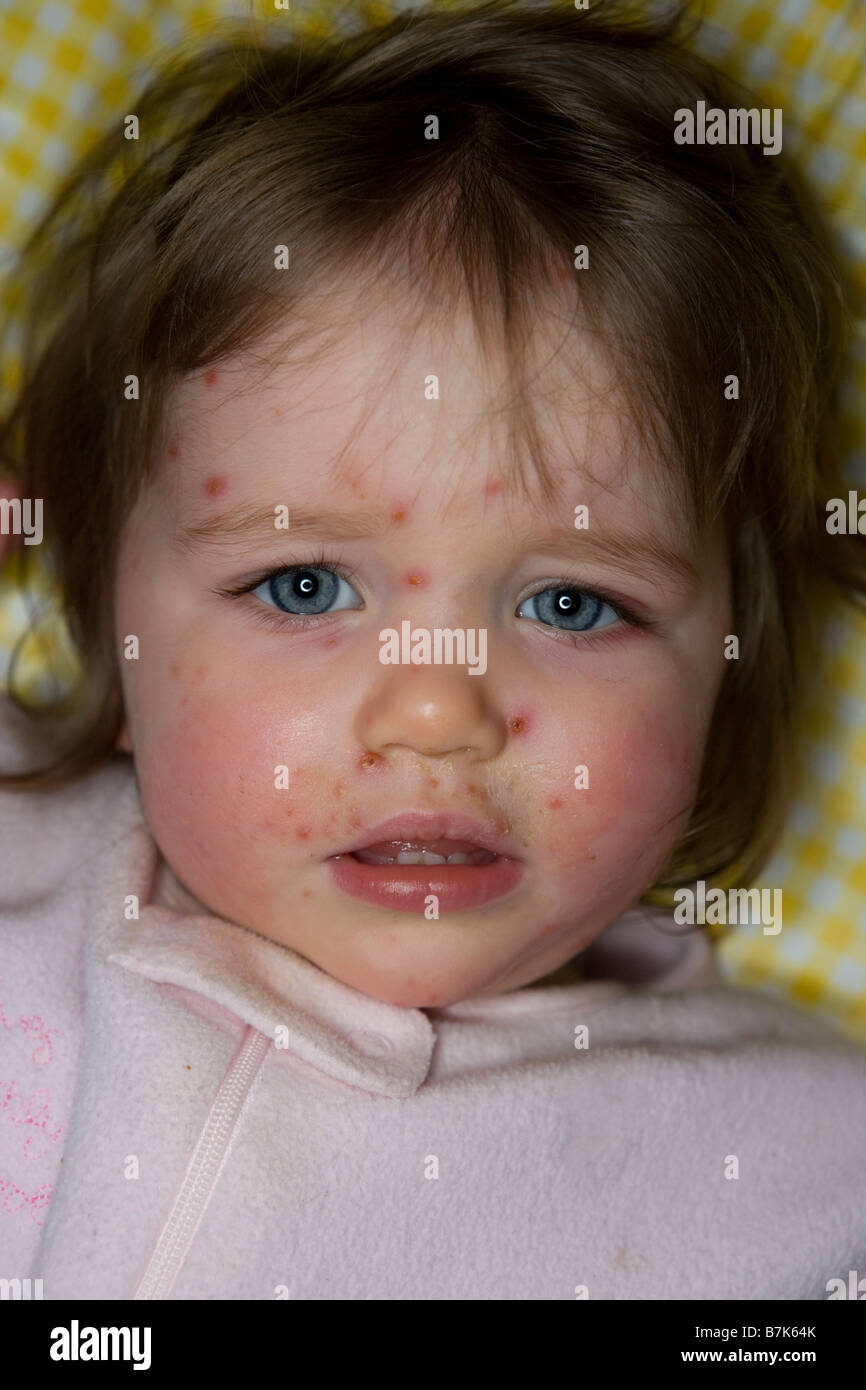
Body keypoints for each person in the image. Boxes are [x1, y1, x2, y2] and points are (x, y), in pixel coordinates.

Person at [1, 0, 864, 1300]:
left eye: (571, 604)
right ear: (106, 627)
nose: (434, 712)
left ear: (726, 673)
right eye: (300, 580)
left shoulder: (798, 1157)